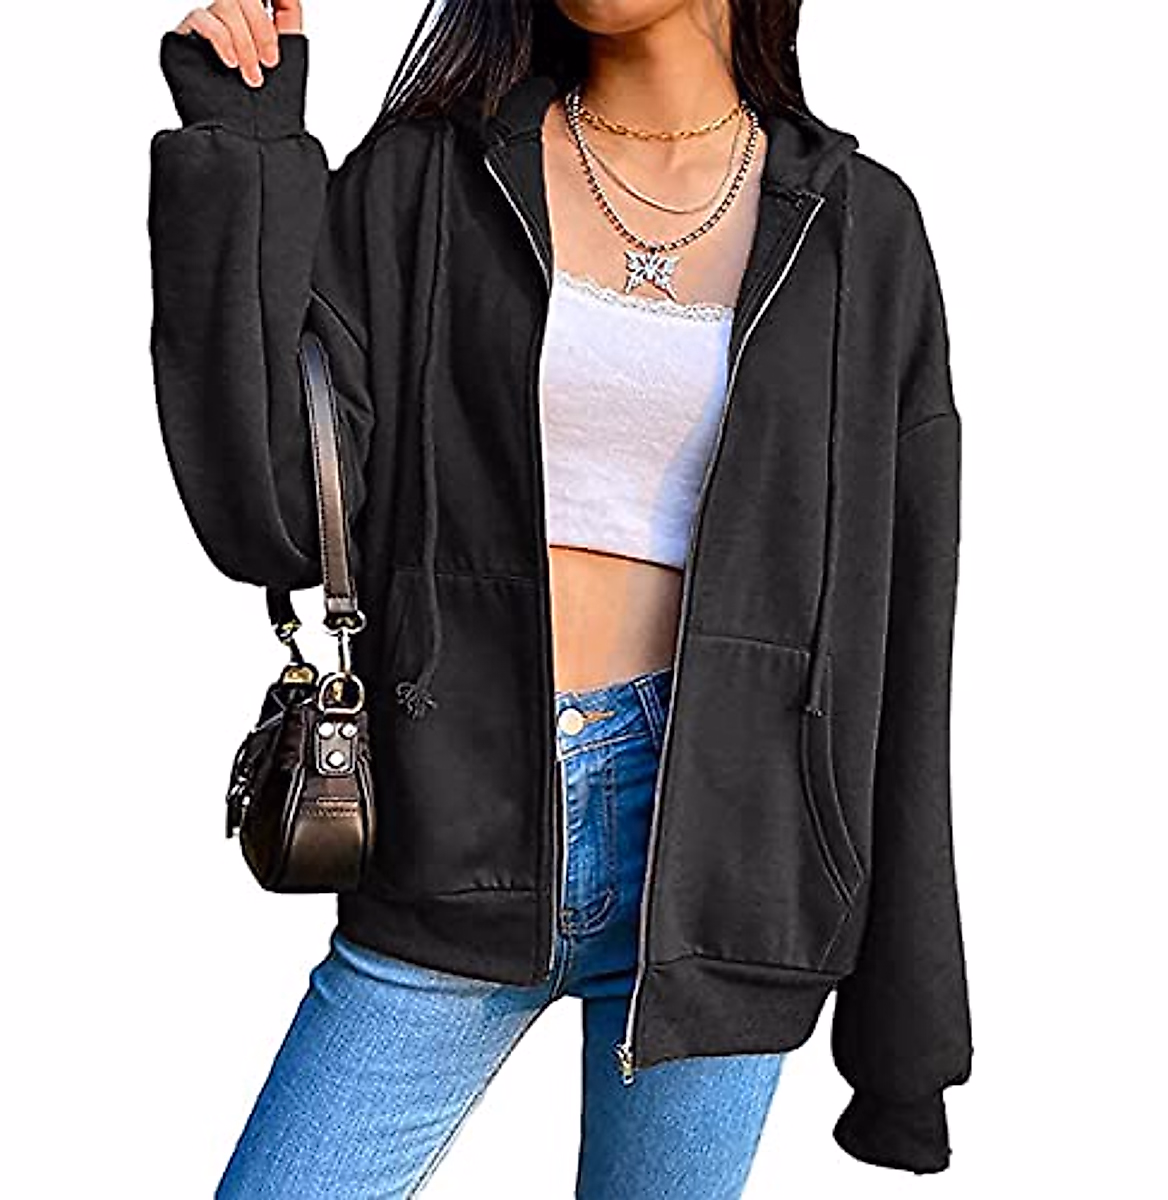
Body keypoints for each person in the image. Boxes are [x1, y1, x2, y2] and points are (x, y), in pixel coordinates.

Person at [148, 0, 973, 1193]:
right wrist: (246, 147)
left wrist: (908, 1034)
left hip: (729, 864)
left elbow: (905, 632)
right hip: (454, 818)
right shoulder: (428, 181)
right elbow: (272, 515)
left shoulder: (861, 228)